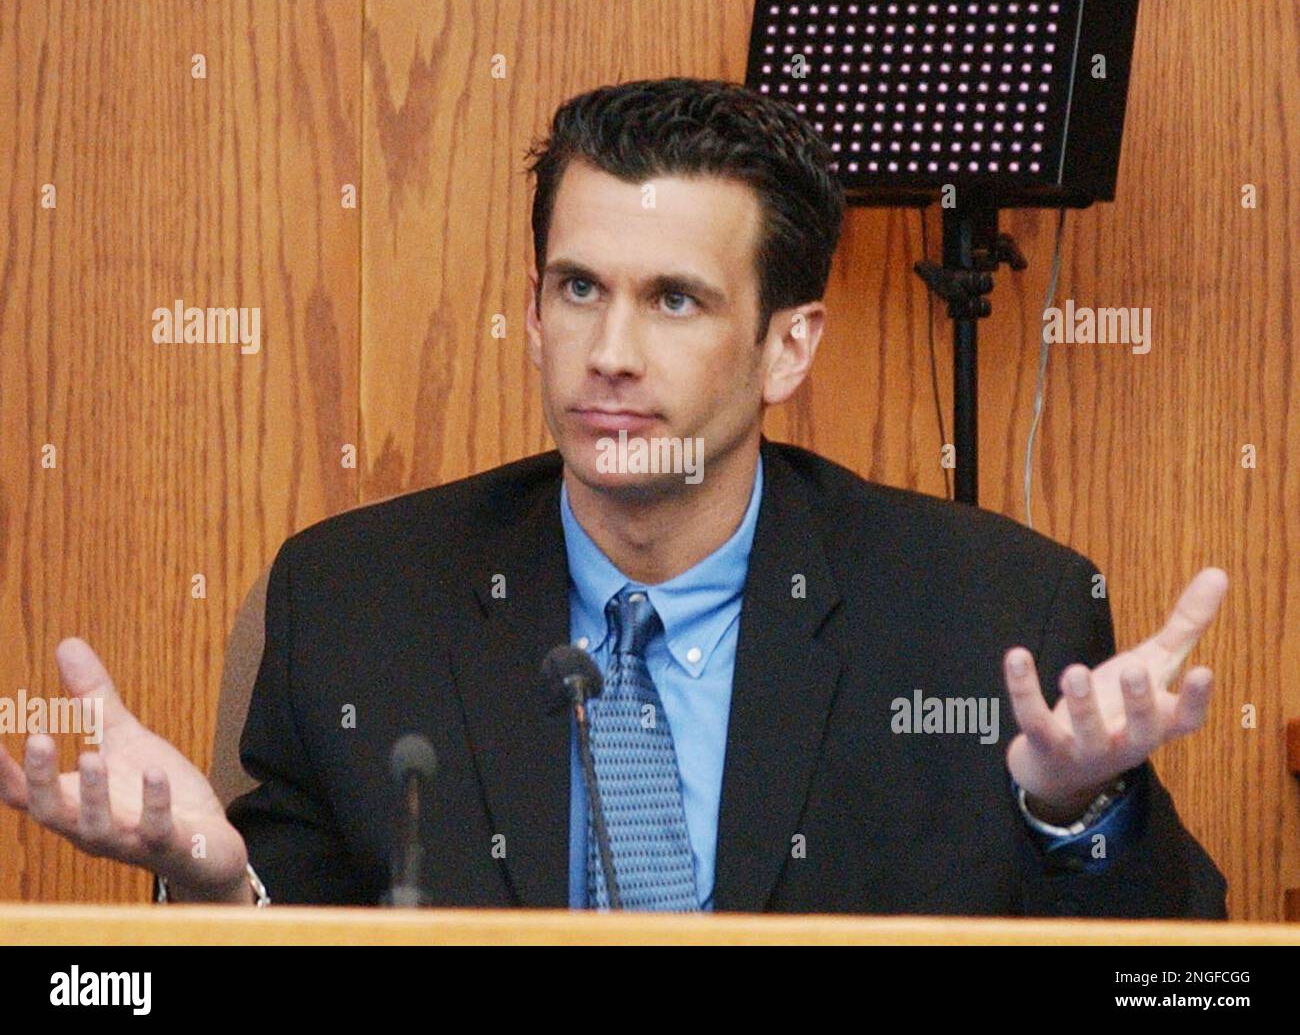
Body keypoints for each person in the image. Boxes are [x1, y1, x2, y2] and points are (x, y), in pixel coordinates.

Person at [0, 78, 1228, 915]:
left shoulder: (990, 612)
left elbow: (1172, 984)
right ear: (532, 314)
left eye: (675, 299)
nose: (610, 351)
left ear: (788, 347)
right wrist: (220, 890)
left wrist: (1079, 806)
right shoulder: (353, 600)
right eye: (578, 290)